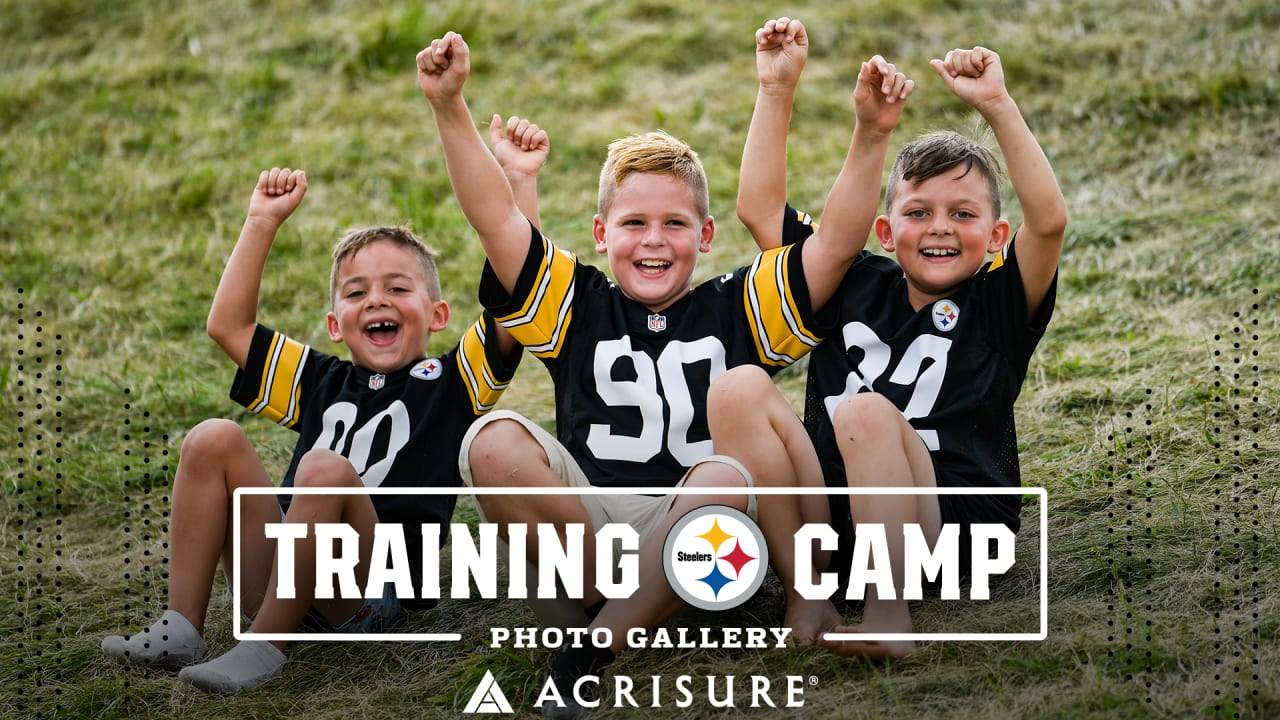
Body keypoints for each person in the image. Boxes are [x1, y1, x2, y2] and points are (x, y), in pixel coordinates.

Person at [418, 26, 910, 718]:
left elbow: (832, 246)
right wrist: (449, 106)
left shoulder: (736, 304)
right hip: (597, 535)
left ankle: (591, 654)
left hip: (709, 536)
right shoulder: (578, 302)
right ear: (600, 233)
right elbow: (495, 217)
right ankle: (613, 596)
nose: (654, 240)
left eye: (676, 224)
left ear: (705, 237)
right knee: (489, 439)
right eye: (635, 223)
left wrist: (867, 132)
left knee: (719, 476)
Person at [99, 118, 547, 691]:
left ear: (437, 315)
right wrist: (261, 221)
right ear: (336, 325)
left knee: (325, 467)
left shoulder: (454, 380)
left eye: (398, 288)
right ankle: (183, 625)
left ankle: (263, 649)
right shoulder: (321, 379)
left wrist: (520, 181)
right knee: (214, 437)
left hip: (368, 593)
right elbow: (227, 326)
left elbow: (523, 295)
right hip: (283, 574)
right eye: (357, 292)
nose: (376, 299)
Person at [714, 34, 1068, 660]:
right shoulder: (851, 280)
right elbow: (760, 209)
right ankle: (807, 593)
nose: (939, 226)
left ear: (995, 237)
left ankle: (889, 614)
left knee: (863, 410)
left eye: (963, 214)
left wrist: (997, 104)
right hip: (835, 525)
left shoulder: (999, 304)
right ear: (885, 230)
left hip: (947, 534)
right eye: (918, 212)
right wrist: (779, 92)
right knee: (736, 388)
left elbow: (1050, 222)